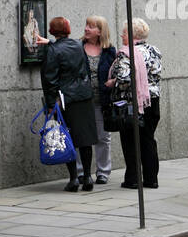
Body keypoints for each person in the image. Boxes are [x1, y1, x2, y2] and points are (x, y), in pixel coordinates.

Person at [41, 16, 98, 192]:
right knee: (85, 139)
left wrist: (50, 104)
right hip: (84, 96)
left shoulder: (52, 50)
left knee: (67, 138)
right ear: (68, 29)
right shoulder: (78, 45)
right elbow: (86, 69)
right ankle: (87, 176)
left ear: (52, 31)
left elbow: (49, 79)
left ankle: (74, 178)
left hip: (65, 100)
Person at [106, 18, 162, 189]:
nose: (122, 36)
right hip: (152, 100)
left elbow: (125, 78)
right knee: (148, 139)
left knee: (130, 141)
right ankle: (151, 179)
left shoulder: (126, 53)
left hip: (132, 103)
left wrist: (112, 82)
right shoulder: (154, 50)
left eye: (124, 33)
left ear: (131, 35)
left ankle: (133, 179)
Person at [77, 15, 116, 185]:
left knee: (103, 138)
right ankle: (81, 172)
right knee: (81, 137)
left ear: (100, 31)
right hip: (81, 101)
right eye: (86, 25)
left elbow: (117, 71)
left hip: (102, 100)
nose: (86, 28)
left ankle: (103, 172)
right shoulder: (78, 47)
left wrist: (113, 81)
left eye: (91, 26)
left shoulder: (109, 51)